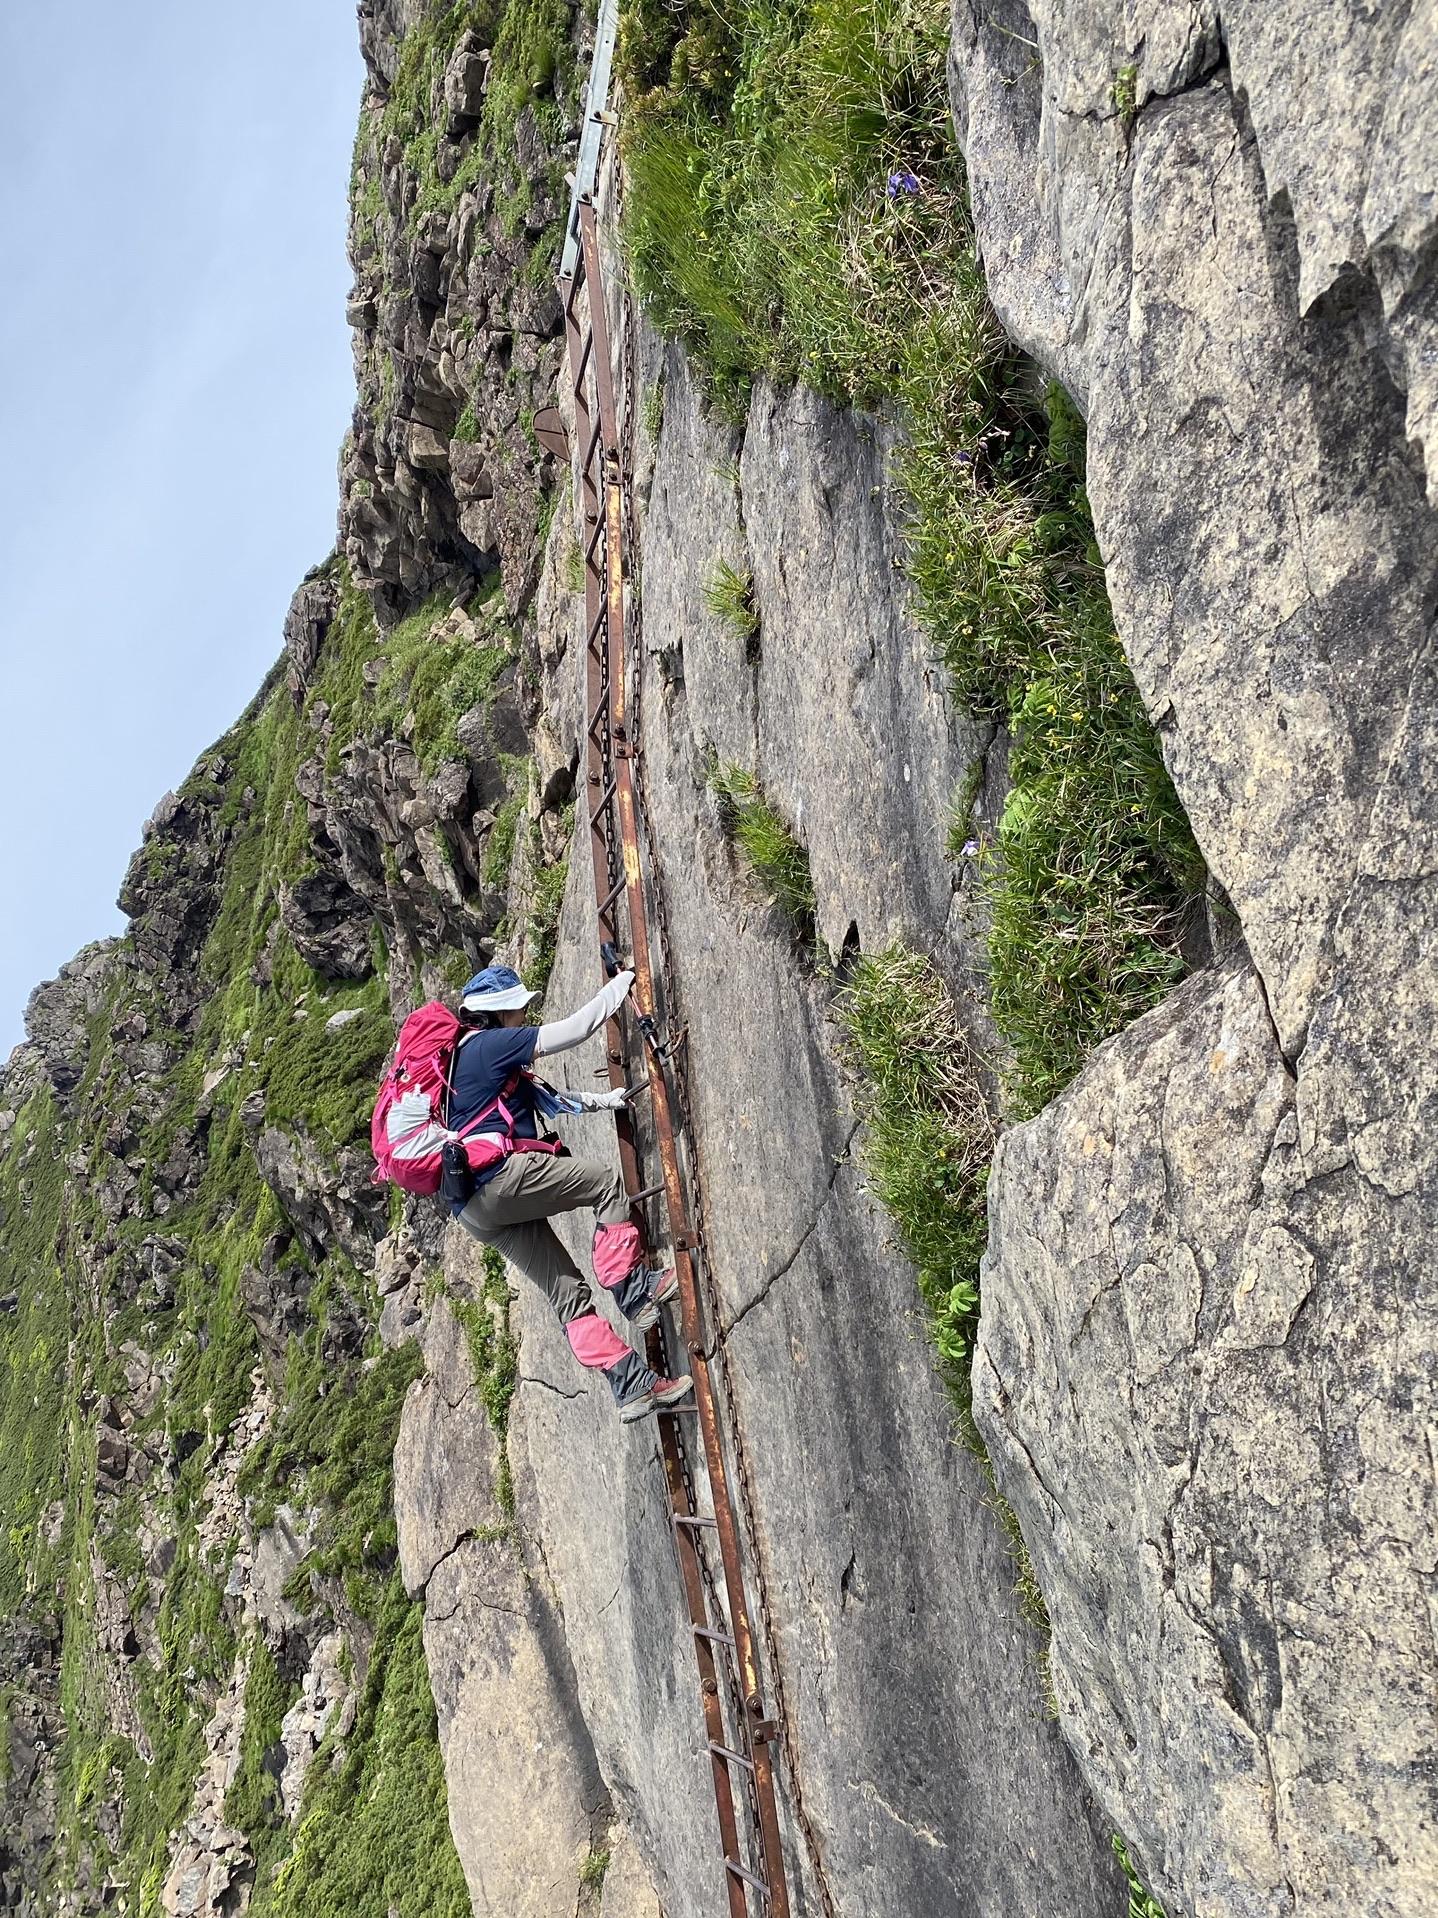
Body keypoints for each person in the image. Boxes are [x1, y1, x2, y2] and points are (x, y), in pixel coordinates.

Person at [448, 963, 693, 1424]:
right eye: (518, 1008)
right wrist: (622, 985)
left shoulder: (461, 1063)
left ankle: (633, 1387)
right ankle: (634, 1290)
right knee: (603, 1183)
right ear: (499, 1012)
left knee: (566, 1295)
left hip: (472, 1210)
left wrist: (607, 1100)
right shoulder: (490, 1044)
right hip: (500, 1180)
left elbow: (548, 1098)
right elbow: (577, 1029)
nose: (523, 1015)